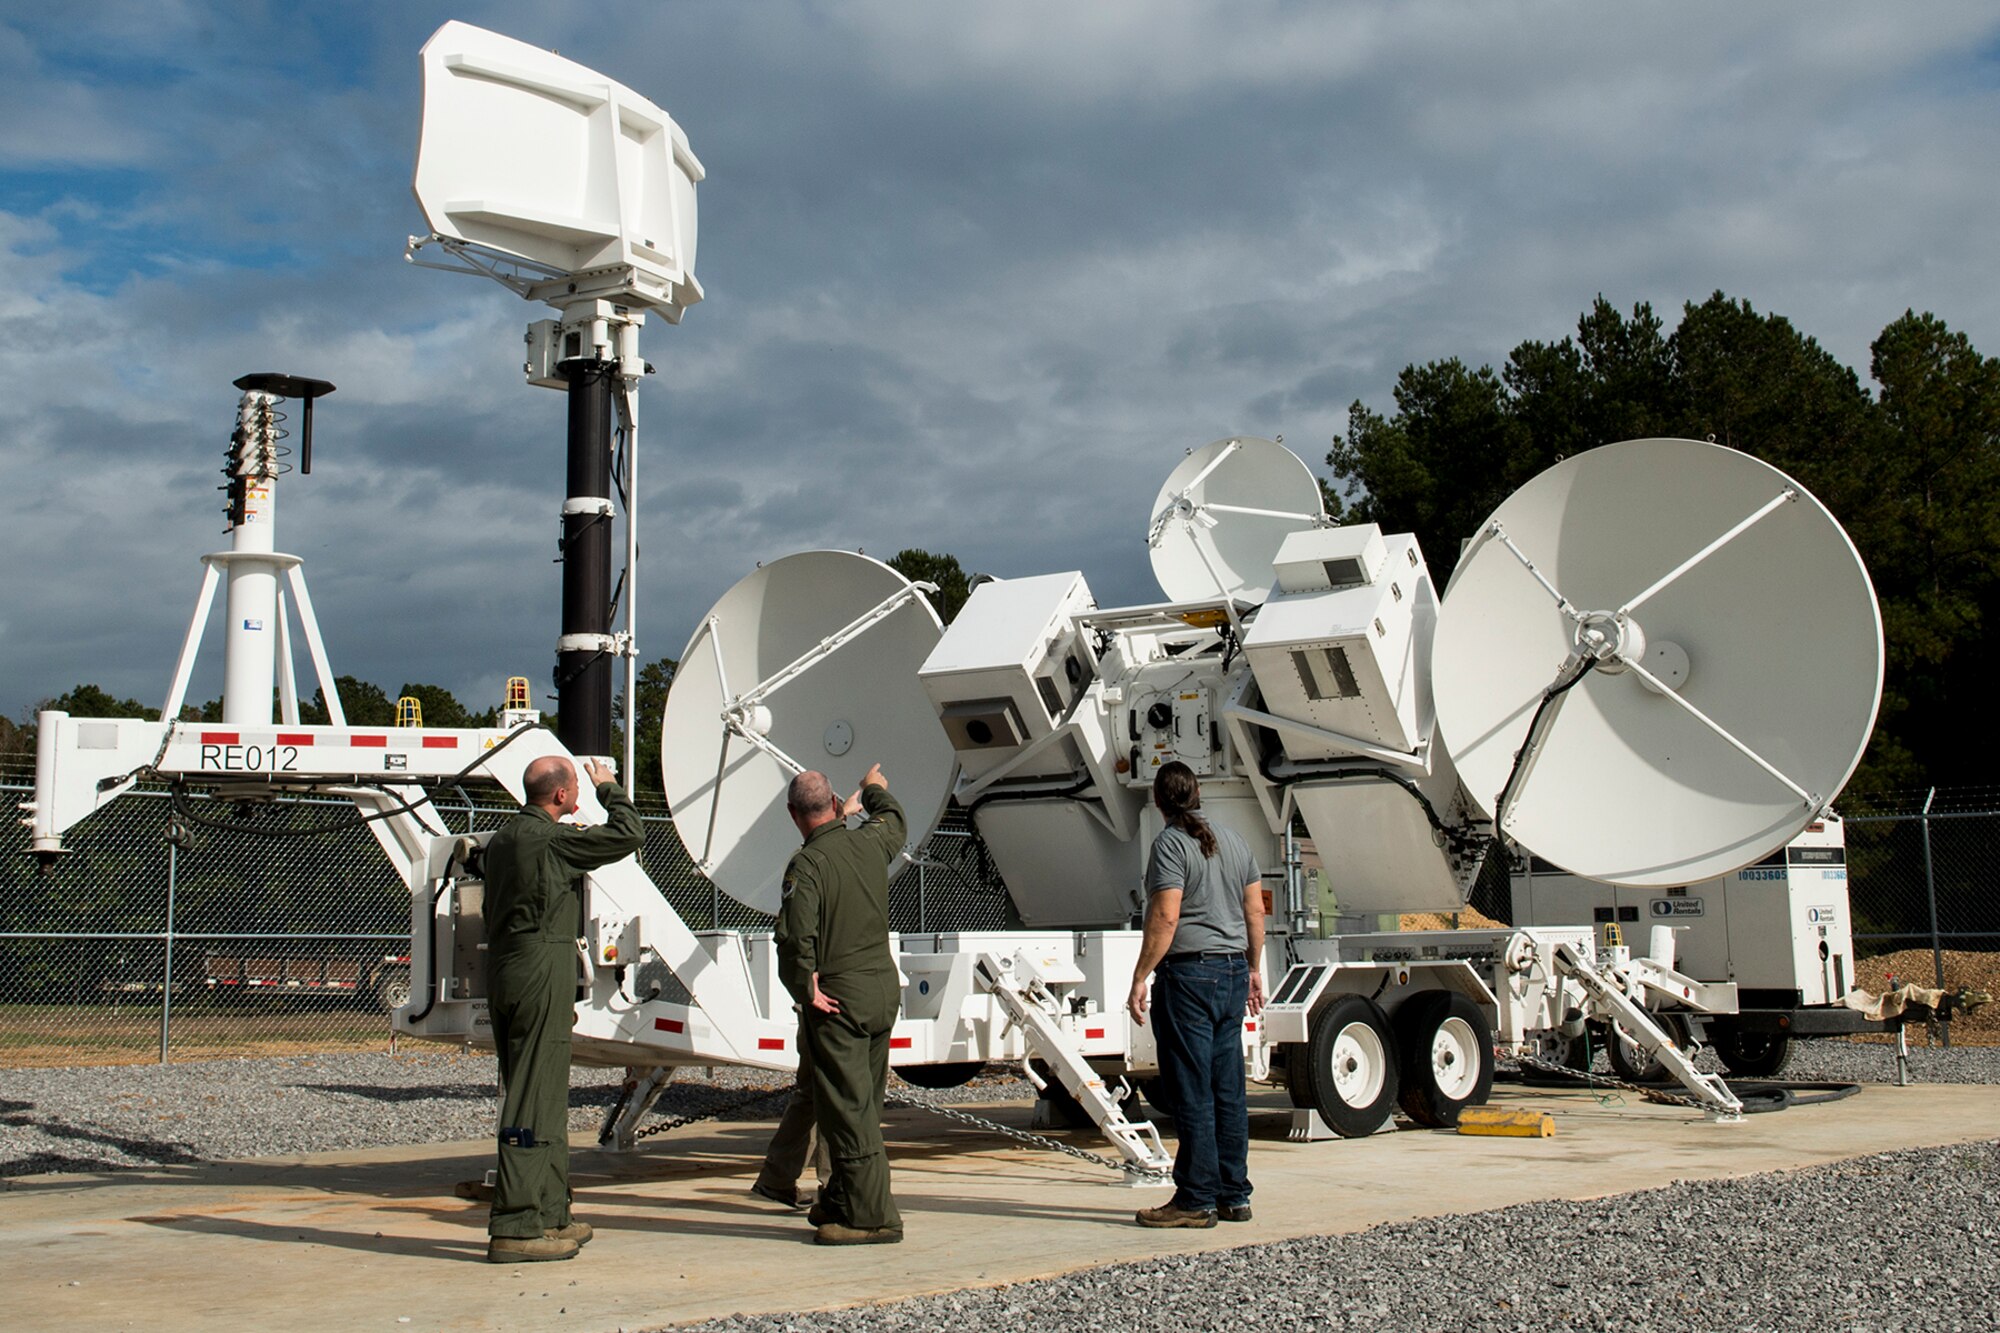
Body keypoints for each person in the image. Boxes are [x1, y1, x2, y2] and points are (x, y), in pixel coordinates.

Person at [482, 753, 645, 1263]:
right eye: (573, 787)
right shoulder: (553, 841)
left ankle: (551, 1214)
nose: (577, 793)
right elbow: (630, 833)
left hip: (508, 966)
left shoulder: (504, 839)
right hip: (540, 964)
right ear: (559, 795)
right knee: (533, 1096)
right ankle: (517, 1224)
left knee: (544, 1090)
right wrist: (609, 788)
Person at [1125, 760, 1265, 1229]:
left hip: (1190, 976)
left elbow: (1166, 917)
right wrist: (1253, 969)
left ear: (1159, 801)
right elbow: (1254, 915)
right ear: (1198, 795)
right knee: (1229, 1089)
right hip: (1230, 974)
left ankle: (1195, 1199)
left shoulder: (1169, 844)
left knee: (1192, 1090)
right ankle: (1234, 1194)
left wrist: (1141, 975)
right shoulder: (1236, 841)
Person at [776, 762, 906, 1245]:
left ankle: (873, 1216)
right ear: (833, 805)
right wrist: (873, 791)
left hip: (839, 1000)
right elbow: (893, 818)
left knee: (848, 1113)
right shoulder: (870, 843)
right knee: (865, 1104)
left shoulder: (806, 865)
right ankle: (841, 1200)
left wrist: (802, 986)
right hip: (880, 993)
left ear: (793, 814)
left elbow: (795, 937)